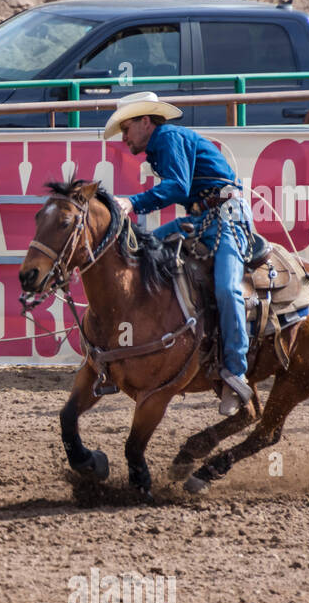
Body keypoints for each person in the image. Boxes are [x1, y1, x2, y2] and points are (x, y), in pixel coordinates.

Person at [105, 91, 262, 416]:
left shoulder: (167, 137)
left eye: (126, 127)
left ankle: (236, 370)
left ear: (146, 122)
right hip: (201, 218)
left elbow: (177, 186)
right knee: (142, 253)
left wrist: (132, 202)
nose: (124, 136)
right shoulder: (163, 143)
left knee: (227, 288)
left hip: (227, 218)